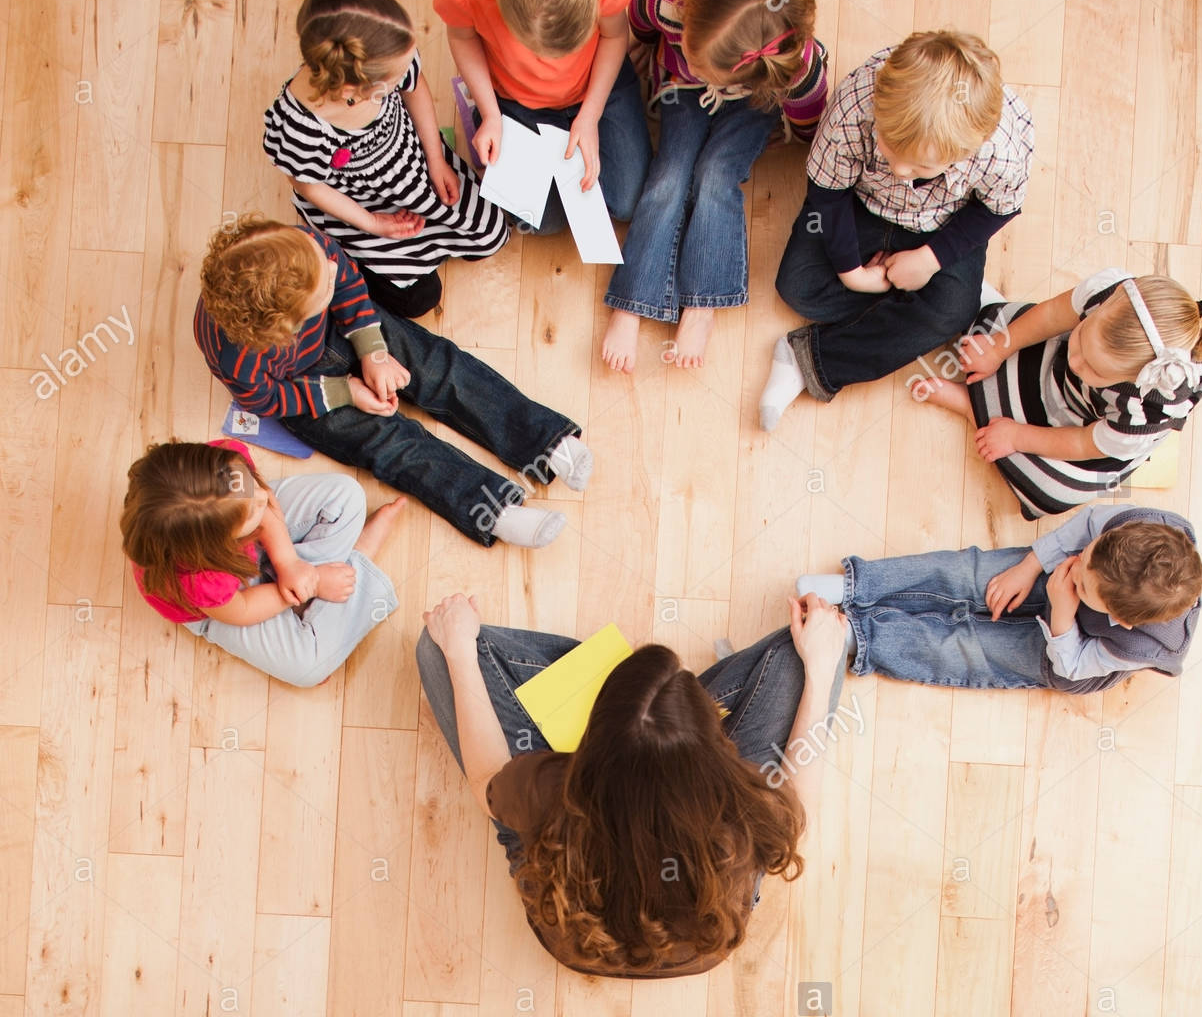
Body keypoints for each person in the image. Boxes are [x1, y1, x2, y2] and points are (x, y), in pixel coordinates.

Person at [417, 592, 850, 977]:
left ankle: (623, 704)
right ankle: (666, 721)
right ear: (712, 747)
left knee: (442, 649)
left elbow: (484, 779)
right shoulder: (742, 799)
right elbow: (799, 802)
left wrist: (458, 653)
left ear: (595, 739)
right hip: (699, 941)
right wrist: (822, 669)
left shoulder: (552, 789)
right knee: (813, 654)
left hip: (580, 938)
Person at [194, 215, 590, 550]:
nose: (331, 267)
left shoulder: (302, 248)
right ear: (289, 327)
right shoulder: (239, 360)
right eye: (323, 287)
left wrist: (373, 352)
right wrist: (344, 391)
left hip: (345, 327)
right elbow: (268, 400)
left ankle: (545, 441)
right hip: (305, 389)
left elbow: (346, 283)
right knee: (387, 443)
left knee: (437, 366)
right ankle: (493, 509)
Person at [760, 30, 1033, 430]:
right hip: (859, 206)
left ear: (964, 152)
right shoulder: (857, 103)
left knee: (950, 308)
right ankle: (939, 306)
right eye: (890, 150)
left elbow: (995, 210)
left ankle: (808, 359)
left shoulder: (1000, 152)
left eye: (920, 167)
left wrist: (931, 259)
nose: (901, 171)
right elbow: (828, 191)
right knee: (797, 286)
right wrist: (852, 274)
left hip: (940, 226)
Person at [600, 0, 828, 372]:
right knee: (669, 175)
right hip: (681, 89)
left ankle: (702, 305)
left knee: (716, 175)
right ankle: (631, 303)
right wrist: (641, 49)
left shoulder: (795, 64)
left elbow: (809, 119)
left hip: (754, 101)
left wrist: (786, 135)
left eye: (706, 68)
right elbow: (637, 14)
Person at [262, 0, 508, 319]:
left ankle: (421, 238)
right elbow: (309, 187)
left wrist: (436, 160)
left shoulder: (387, 53)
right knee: (418, 300)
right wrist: (371, 223)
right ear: (358, 90)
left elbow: (415, 89)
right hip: (359, 203)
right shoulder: (299, 128)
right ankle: (349, 265)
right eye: (393, 81)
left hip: (415, 165)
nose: (407, 71)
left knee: (491, 236)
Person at [797, 504, 1202, 695]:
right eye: (1087, 557)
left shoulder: (1139, 645)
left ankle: (855, 635)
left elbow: (1076, 664)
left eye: (1082, 585)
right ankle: (853, 587)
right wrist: (1030, 567)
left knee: (962, 647)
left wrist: (1064, 612)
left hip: (1065, 653)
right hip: (1050, 579)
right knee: (966, 575)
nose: (1074, 572)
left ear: (1119, 617)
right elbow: (1086, 525)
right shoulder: (1139, 528)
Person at [914, 268, 1202, 518]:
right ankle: (989, 403)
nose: (1076, 363)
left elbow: (1080, 443)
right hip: (1054, 371)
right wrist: (998, 348)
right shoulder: (1108, 296)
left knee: (1052, 489)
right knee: (1001, 333)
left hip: (1086, 429)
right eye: (1081, 340)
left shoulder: (1141, 418)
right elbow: (1051, 316)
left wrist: (1016, 437)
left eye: (1094, 368)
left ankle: (975, 409)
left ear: (1135, 378)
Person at [433, 0, 650, 234]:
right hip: (515, 101)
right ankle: (483, 118)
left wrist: (590, 115)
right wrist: (491, 113)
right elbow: (462, 39)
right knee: (538, 223)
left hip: (596, 84)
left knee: (628, 202)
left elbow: (614, 36)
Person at [121, 437, 402, 687]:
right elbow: (243, 609)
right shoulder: (198, 583)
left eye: (252, 484)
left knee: (346, 494)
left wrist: (288, 563)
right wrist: (312, 583)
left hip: (242, 532)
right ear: (219, 544)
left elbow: (265, 507)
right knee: (307, 668)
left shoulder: (225, 471)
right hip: (228, 607)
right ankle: (356, 558)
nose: (264, 496)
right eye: (253, 507)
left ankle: (309, 595)